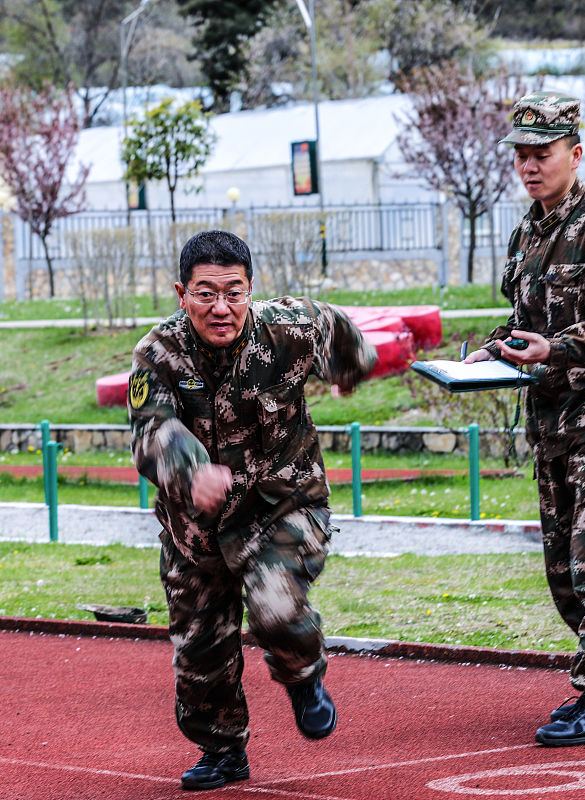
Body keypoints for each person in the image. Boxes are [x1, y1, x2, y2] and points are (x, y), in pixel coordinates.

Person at [128, 230, 377, 791]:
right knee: (200, 660)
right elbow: (150, 431)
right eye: (205, 294)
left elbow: (344, 337)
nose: (221, 308)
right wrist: (192, 470)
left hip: (283, 506)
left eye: (233, 292)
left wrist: (351, 371)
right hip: (197, 529)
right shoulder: (157, 353)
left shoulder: (290, 327)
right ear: (181, 294)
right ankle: (223, 751)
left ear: (250, 289)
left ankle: (302, 675)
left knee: (275, 607)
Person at [465, 91, 585, 747]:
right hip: (553, 429)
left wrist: (552, 349)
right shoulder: (528, 232)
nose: (529, 165)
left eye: (541, 153)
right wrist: (496, 348)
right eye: (520, 154)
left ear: (574, 153)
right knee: (564, 575)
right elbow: (524, 320)